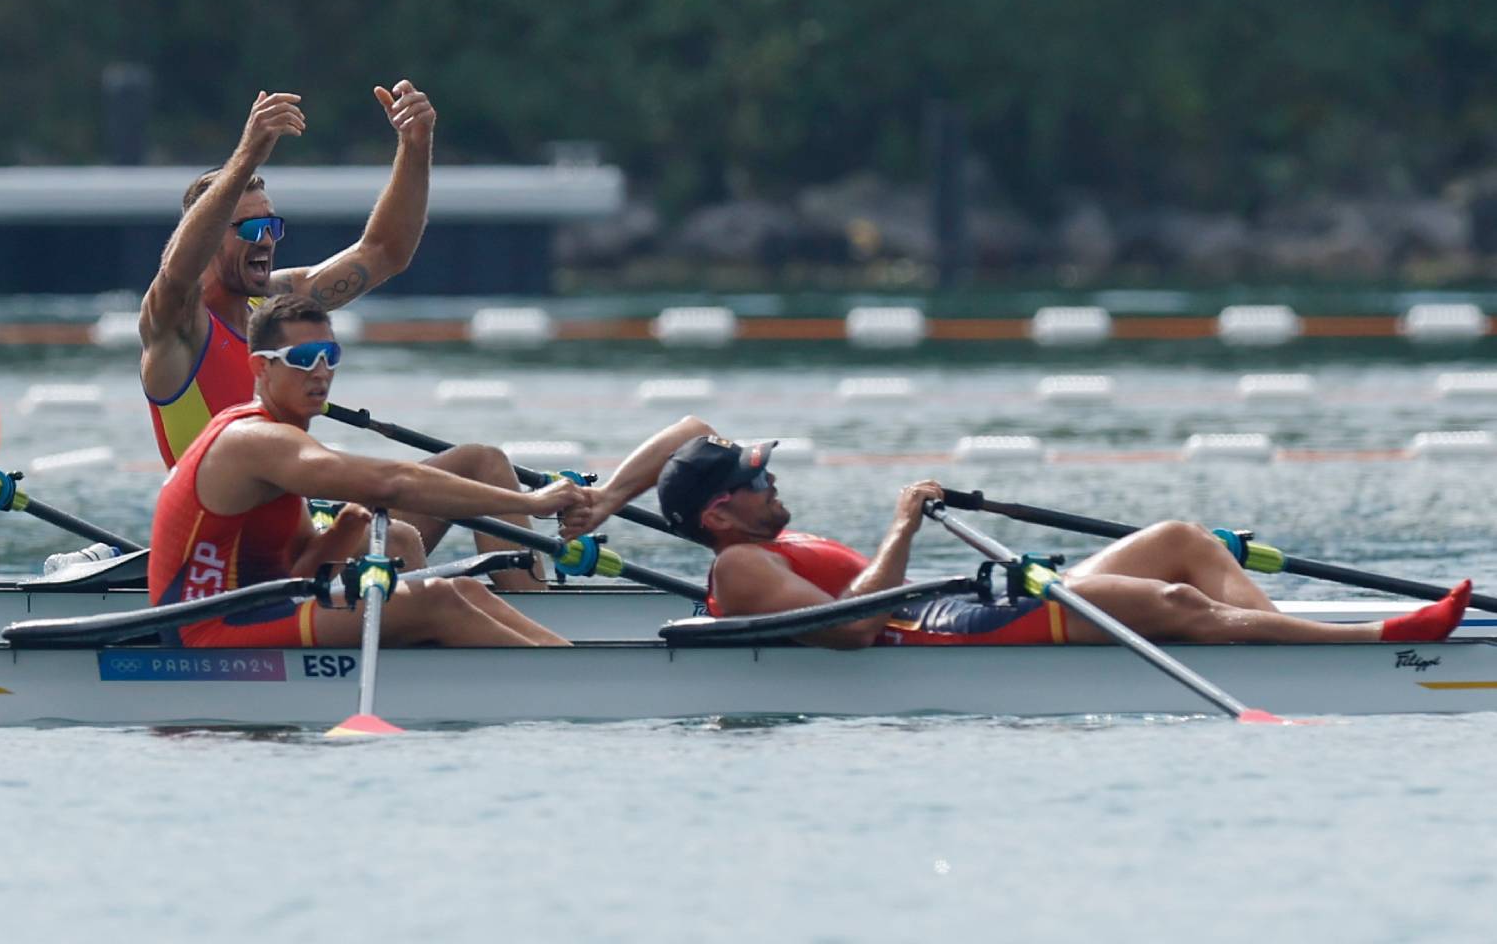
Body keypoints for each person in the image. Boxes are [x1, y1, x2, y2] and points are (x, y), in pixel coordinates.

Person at [561, 418, 1473, 649]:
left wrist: (603, 500)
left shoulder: (737, 529)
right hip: (939, 633)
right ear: (722, 514)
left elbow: (687, 435)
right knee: (1174, 599)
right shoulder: (744, 574)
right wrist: (901, 528)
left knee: (1184, 537)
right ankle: (1382, 640)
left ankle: (1290, 647)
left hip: (960, 603)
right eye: (759, 479)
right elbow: (853, 628)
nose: (774, 482)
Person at [137, 83, 546, 589]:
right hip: (232, 557)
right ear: (206, 233)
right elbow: (176, 275)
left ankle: (532, 634)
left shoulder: (276, 303)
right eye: (246, 230)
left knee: (483, 463)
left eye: (271, 226)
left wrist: (415, 147)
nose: (264, 240)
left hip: (302, 534)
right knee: (395, 541)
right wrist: (246, 155)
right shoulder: (176, 327)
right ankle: (440, 637)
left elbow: (383, 252)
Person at [148, 295, 585, 648]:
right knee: (434, 600)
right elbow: (392, 483)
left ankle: (575, 670)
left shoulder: (274, 435)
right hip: (204, 630)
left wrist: (341, 532)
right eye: (302, 357)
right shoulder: (257, 440)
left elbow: (299, 572)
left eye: (329, 355)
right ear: (260, 367)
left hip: (257, 610)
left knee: (465, 591)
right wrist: (529, 502)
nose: (321, 372)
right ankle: (586, 687)